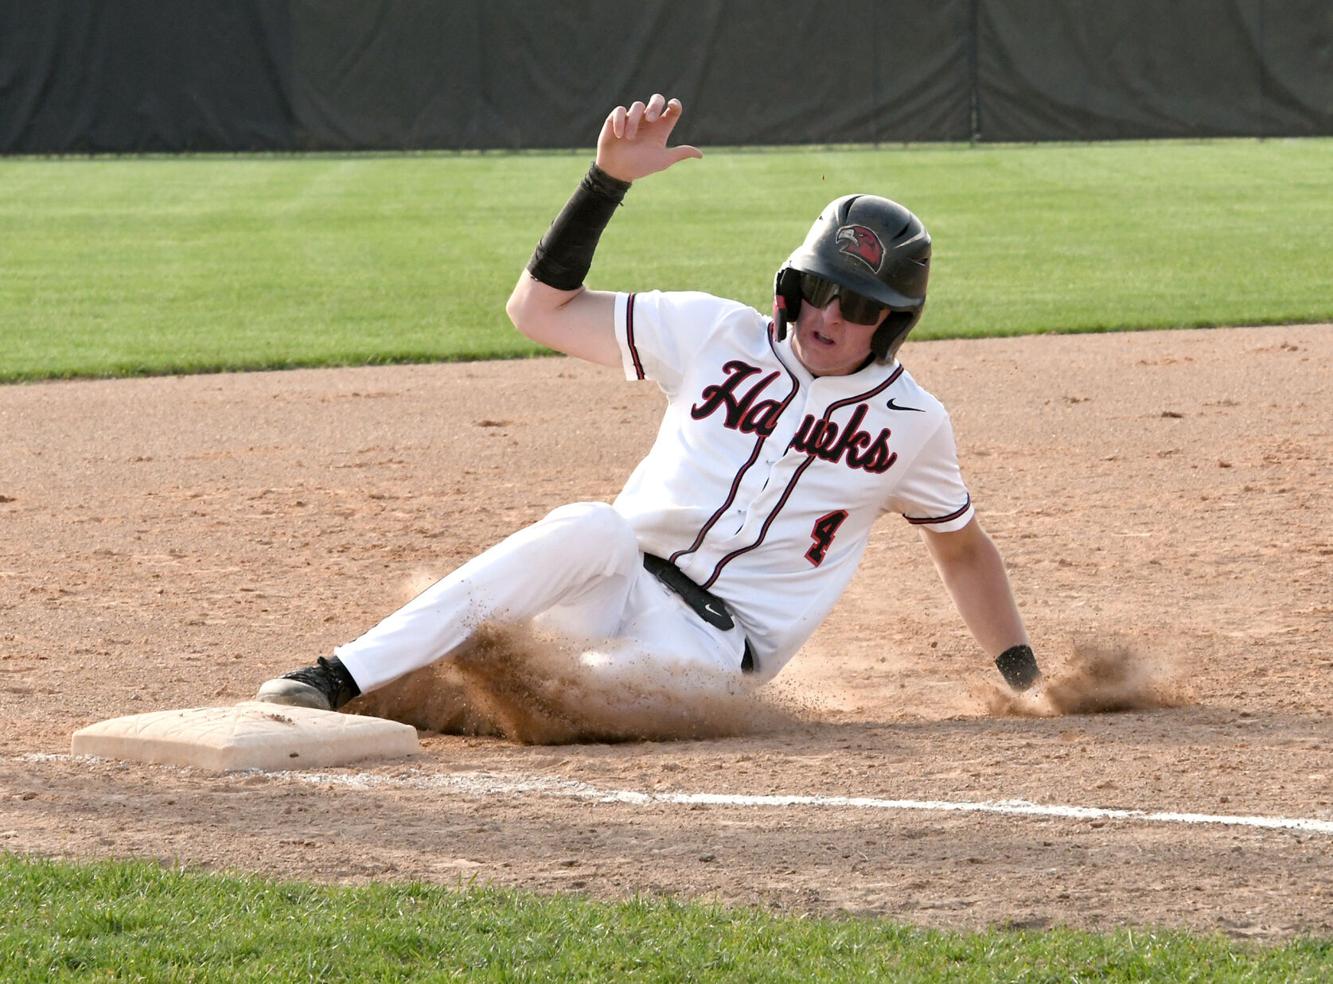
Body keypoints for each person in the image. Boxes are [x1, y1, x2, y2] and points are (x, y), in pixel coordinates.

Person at [256, 94, 1040, 718]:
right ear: (790, 286)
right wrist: (607, 182)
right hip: (616, 581)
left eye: (858, 306)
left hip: (711, 651)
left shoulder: (911, 425)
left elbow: (962, 550)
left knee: (571, 688)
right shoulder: (712, 332)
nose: (827, 318)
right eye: (818, 291)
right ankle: (342, 675)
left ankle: (455, 697)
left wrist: (1023, 677)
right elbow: (540, 313)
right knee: (587, 525)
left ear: (892, 324)